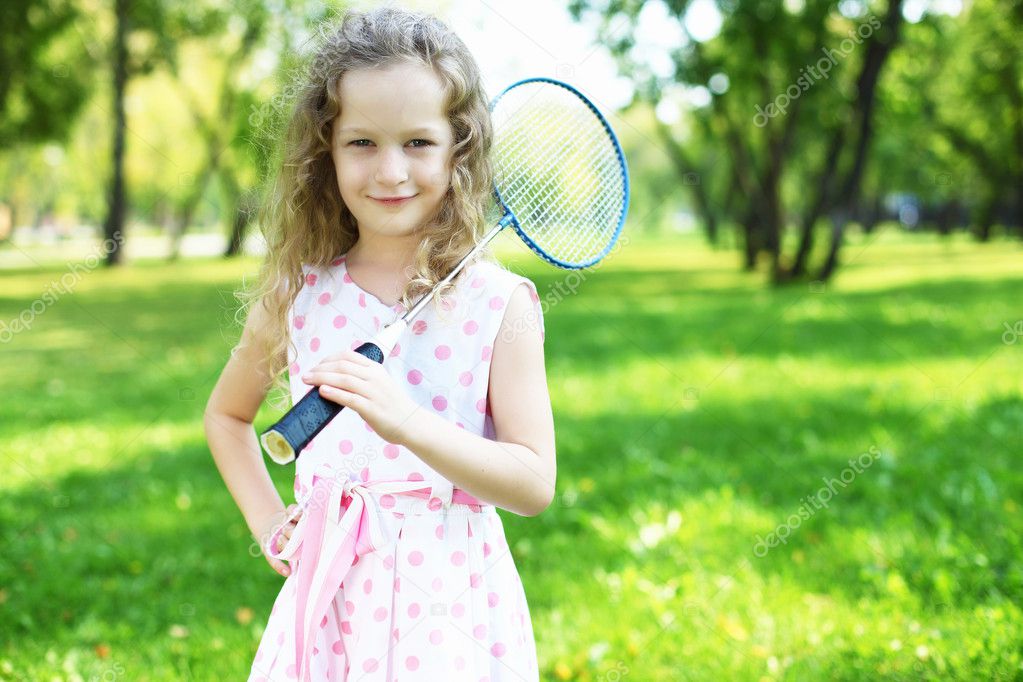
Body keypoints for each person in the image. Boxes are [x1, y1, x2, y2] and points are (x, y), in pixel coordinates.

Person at [203, 7, 555, 681]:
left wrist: (409, 423)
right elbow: (226, 416)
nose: (390, 170)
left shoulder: (497, 304)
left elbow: (533, 483)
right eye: (361, 143)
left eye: (418, 143)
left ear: (460, 149)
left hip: (453, 605)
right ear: (324, 154)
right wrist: (269, 522)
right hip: (331, 594)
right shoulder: (299, 295)